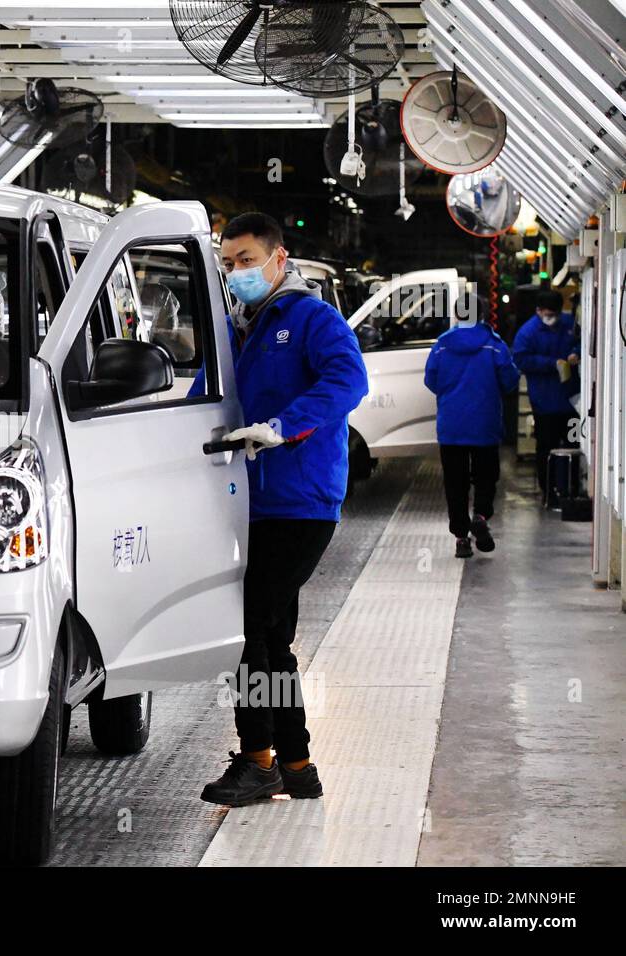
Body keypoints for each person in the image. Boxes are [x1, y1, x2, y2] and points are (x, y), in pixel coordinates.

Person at [196, 213, 369, 807]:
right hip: (249, 502)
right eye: (227, 264)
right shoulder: (237, 330)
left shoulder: (311, 318)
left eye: (246, 261)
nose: (236, 273)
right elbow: (204, 398)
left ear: (278, 258)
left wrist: (282, 427)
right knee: (271, 633)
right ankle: (294, 766)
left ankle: (261, 760)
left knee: (253, 631)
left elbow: (349, 382)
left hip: (301, 502)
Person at [425, 300, 521, 558]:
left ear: (456, 313)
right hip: (485, 424)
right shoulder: (494, 345)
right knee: (486, 477)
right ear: (482, 314)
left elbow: (430, 379)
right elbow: (510, 380)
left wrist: (451, 396)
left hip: (452, 426)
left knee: (455, 483)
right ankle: (480, 515)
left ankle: (461, 538)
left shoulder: (441, 345)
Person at [513, 290, 580, 498]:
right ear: (538, 311)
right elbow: (521, 359)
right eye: (547, 313)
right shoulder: (528, 333)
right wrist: (552, 364)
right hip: (545, 403)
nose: (551, 318)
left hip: (572, 402)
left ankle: (572, 488)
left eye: (555, 314)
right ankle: (548, 489)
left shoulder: (570, 324)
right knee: (546, 447)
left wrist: (576, 353)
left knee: (573, 445)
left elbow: (584, 341)